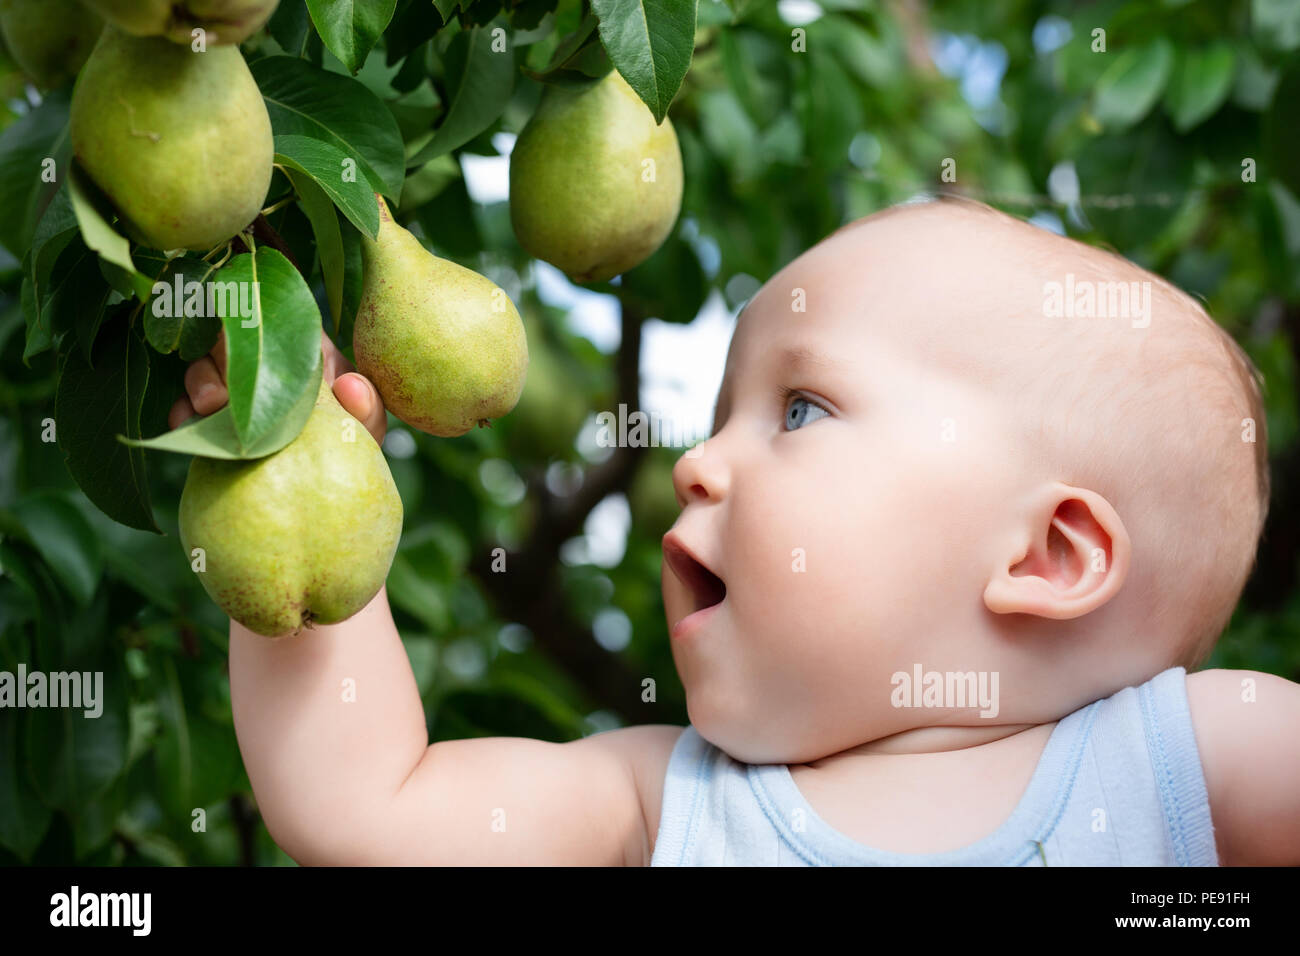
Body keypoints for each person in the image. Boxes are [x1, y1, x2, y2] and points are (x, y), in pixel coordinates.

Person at [169, 196, 1300, 865]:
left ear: (1047, 555)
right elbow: (368, 810)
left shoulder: (1188, 766)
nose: (698, 463)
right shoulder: (670, 802)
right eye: (717, 415)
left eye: (799, 408)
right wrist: (301, 480)